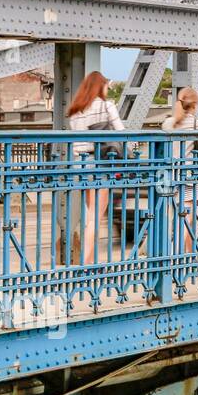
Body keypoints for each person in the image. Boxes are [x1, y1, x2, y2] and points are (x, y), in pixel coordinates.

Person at [66, 71, 126, 264]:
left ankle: (91, 261)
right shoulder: (106, 106)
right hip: (100, 164)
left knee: (90, 215)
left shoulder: (76, 110)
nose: (107, 89)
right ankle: (86, 263)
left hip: (80, 166)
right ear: (100, 86)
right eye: (106, 85)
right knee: (95, 217)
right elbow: (121, 133)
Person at [162, 87, 198, 252]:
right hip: (191, 177)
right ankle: (176, 256)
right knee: (187, 219)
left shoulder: (169, 123)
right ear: (195, 105)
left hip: (172, 175)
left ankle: (189, 256)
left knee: (180, 216)